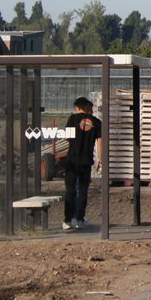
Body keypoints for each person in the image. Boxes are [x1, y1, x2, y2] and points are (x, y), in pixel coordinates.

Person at [62, 96, 102, 231]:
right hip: (86, 160)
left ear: (78, 107)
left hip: (72, 160)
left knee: (70, 190)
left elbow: (67, 137)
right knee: (83, 190)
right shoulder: (96, 122)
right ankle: (80, 218)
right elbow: (100, 142)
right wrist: (101, 160)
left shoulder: (72, 119)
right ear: (86, 107)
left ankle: (68, 220)